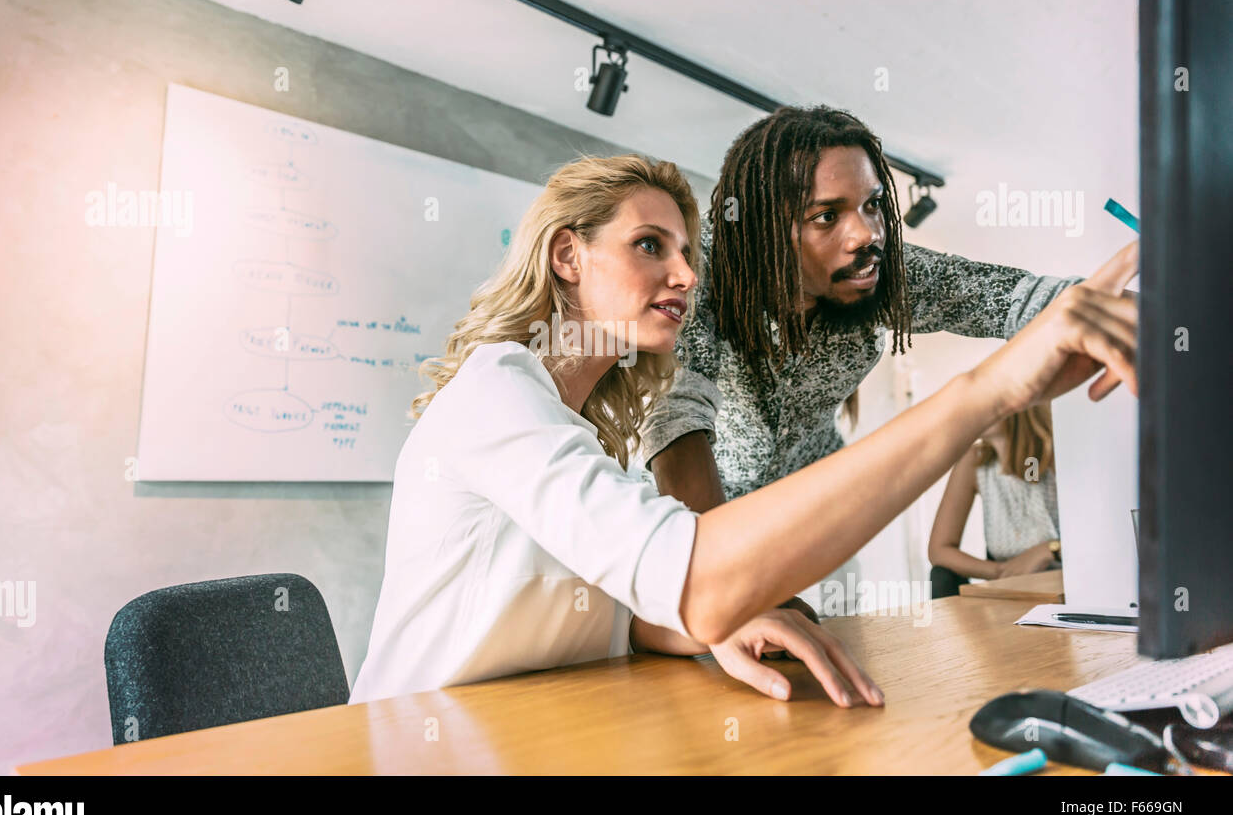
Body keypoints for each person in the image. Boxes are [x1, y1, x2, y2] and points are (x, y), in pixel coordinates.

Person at [348, 153, 1137, 708]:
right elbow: (688, 577)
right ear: (567, 256)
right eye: (649, 245)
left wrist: (709, 628)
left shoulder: (597, 437)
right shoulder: (497, 388)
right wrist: (990, 387)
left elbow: (630, 608)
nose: (686, 275)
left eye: (686, 252)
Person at [639, 106, 1080, 607]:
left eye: (872, 205)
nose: (867, 234)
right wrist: (728, 592)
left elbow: (1023, 298)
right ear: (763, 230)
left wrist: (1143, 305)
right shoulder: (701, 273)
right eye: (827, 215)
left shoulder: (879, 269)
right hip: (696, 528)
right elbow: (675, 421)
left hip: (815, 514)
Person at [926, 403, 1061, 598]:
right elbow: (939, 550)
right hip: (1006, 587)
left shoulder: (1052, 454)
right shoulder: (974, 461)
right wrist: (1000, 571)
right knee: (941, 575)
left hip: (1059, 583)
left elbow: (1094, 536)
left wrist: (1048, 550)